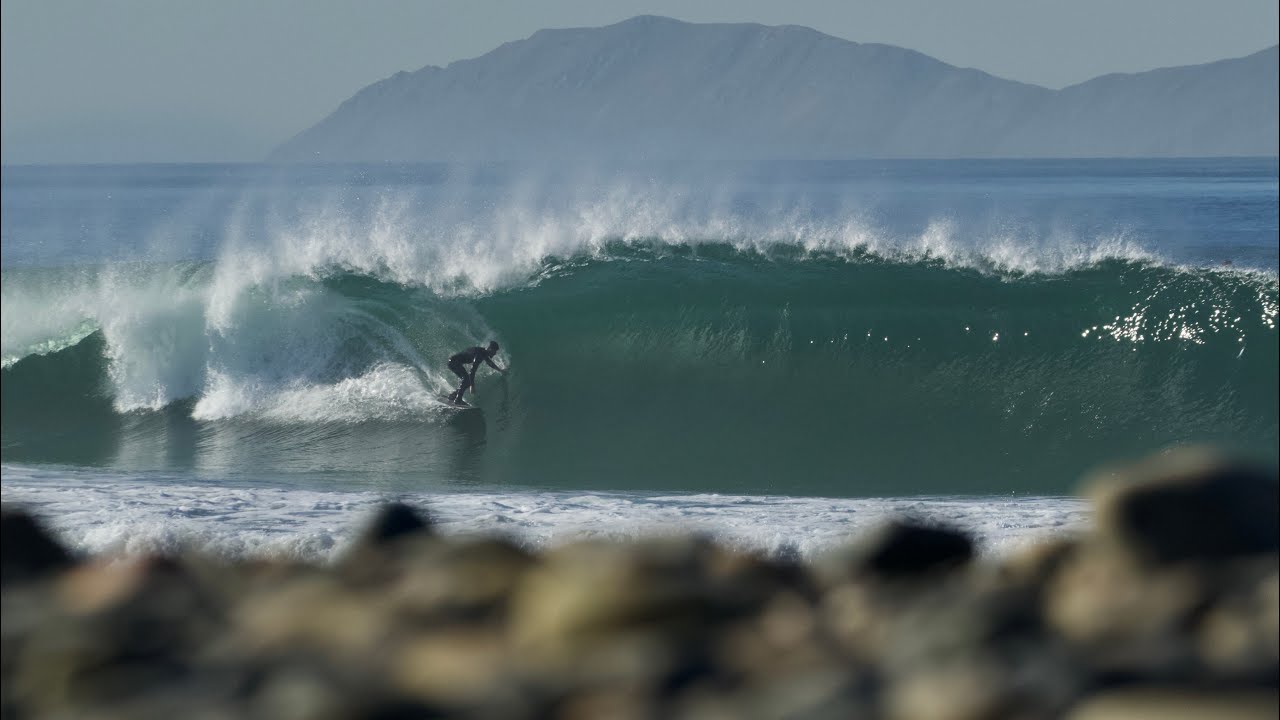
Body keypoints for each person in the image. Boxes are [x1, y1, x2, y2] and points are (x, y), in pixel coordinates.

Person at [447, 340, 506, 405]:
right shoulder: (479, 355)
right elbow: (472, 371)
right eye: (495, 351)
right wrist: (472, 386)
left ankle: (454, 395)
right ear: (490, 349)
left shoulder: (483, 352)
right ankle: (458, 400)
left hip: (453, 362)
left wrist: (500, 370)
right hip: (453, 362)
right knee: (467, 379)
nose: (495, 353)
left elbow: (490, 363)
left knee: (467, 381)